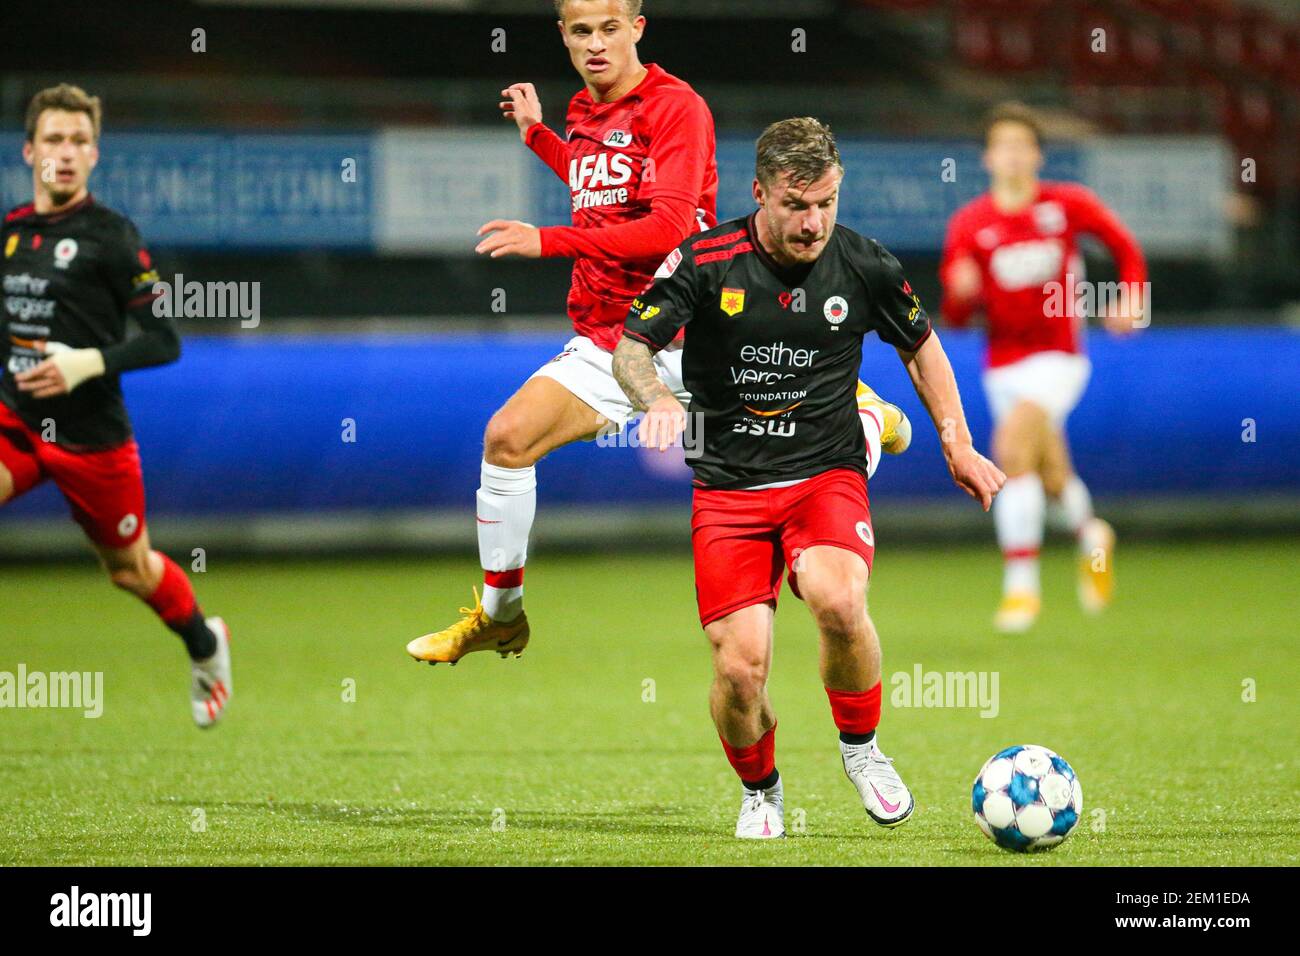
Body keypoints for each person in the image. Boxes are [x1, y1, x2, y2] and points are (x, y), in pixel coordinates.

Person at [407, 0, 910, 666]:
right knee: (506, 438)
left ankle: (864, 415)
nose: (595, 43)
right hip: (611, 340)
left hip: (703, 335)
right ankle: (502, 618)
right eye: (580, 31)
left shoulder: (677, 108)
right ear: (563, 35)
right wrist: (538, 137)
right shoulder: (584, 112)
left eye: (609, 28)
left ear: (637, 29)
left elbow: (670, 226)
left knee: (805, 465)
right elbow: (602, 193)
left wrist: (548, 240)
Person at [612, 117, 1005, 838]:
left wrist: (959, 443)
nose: (813, 221)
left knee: (837, 596)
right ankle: (761, 791)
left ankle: (863, 751)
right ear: (758, 192)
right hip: (729, 488)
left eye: (825, 202)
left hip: (822, 475)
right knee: (739, 671)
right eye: (796, 205)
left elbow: (923, 348)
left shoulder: (864, 263)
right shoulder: (704, 262)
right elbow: (631, 348)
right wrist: (658, 398)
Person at [1, 84, 232, 727]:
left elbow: (164, 339)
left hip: (91, 438)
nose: (66, 153)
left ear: (94, 155)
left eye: (79, 141)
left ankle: (206, 645)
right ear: (29, 151)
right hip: (16, 420)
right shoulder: (12, 234)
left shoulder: (112, 237)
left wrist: (88, 362)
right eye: (54, 139)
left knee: (130, 571)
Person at [940, 102, 1147, 632]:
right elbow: (958, 317)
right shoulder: (969, 224)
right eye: (1002, 145)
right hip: (1003, 364)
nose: (1012, 154)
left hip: (1059, 360)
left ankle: (1020, 591)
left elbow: (1124, 247)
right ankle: (1092, 537)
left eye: (1021, 145)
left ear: (1036, 154)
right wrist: (961, 295)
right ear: (987, 157)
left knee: (1010, 451)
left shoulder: (1066, 204)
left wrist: (1129, 297)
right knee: (1051, 477)